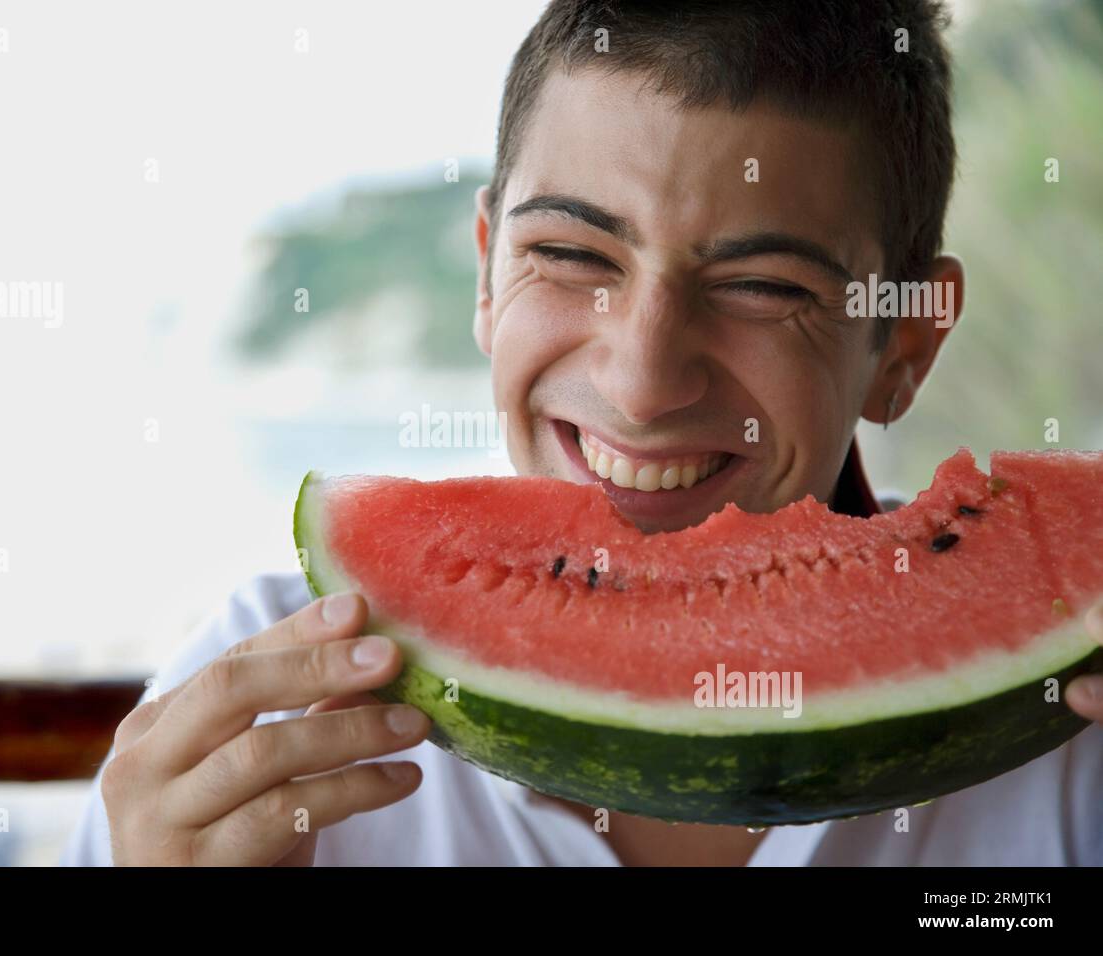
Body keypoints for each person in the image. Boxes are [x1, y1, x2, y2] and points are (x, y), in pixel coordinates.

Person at [62, 0, 1103, 866]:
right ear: (484, 273)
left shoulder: (1076, 749)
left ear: (906, 344)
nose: (642, 379)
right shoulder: (258, 720)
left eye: (761, 285)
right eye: (569, 254)